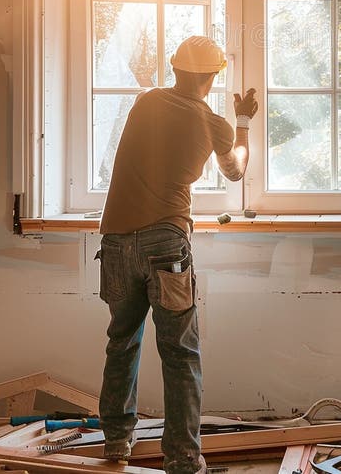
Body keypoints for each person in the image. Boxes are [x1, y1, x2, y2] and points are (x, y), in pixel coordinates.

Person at [97, 36, 258, 474]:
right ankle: (184, 459)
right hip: (165, 244)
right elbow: (235, 169)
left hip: (115, 240)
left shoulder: (145, 102)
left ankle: (116, 441)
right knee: (180, 353)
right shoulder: (213, 123)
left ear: (175, 67)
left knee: (121, 342)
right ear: (213, 77)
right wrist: (243, 121)